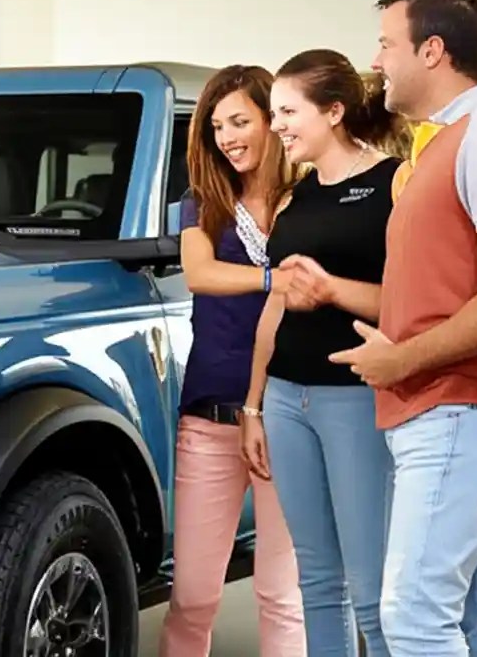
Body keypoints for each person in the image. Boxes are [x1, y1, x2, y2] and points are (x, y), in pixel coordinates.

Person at [328, 0, 477, 657]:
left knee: (415, 617)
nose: (376, 62)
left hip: (463, 411)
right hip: (446, 412)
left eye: (386, 45)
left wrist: (403, 358)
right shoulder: (441, 147)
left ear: (432, 51)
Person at [240, 48, 407, 656]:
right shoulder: (296, 196)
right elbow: (275, 308)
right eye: (274, 112)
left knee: (371, 587)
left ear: (333, 112)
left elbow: (413, 304)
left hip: (356, 400)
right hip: (287, 400)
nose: (276, 125)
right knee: (315, 579)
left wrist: (333, 290)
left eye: (288, 112)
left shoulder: (394, 184)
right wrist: (254, 406)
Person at [158, 65, 306, 657]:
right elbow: (200, 274)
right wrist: (276, 278)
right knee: (193, 598)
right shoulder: (202, 203)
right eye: (217, 127)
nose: (227, 138)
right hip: (211, 418)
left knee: (283, 595)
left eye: (240, 122)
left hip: (290, 415)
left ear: (272, 119)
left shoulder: (308, 200)